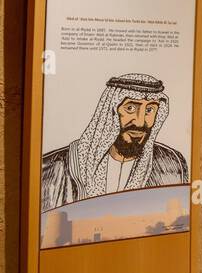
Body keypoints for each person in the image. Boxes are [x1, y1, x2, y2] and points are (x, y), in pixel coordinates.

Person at [41, 73, 188, 211]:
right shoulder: (54, 166)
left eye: (149, 110)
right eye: (130, 108)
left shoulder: (171, 164)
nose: (140, 121)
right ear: (111, 112)